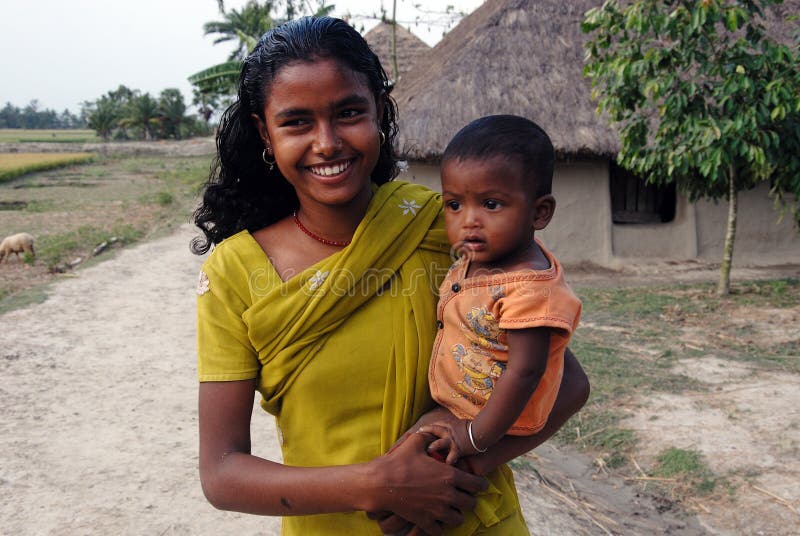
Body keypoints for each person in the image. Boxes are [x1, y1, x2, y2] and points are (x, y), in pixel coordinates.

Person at [192, 16, 589, 536]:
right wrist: (378, 485)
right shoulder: (234, 273)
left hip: (471, 519)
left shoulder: (444, 229)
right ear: (265, 132)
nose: (328, 142)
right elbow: (222, 474)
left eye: (349, 112)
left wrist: (464, 463)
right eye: (297, 123)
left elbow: (568, 382)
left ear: (380, 109)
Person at [418, 116, 582, 471]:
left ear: (540, 212)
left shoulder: (529, 288)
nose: (468, 221)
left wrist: (474, 438)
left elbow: (526, 371)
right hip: (459, 405)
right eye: (454, 205)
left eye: (491, 205)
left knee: (414, 482)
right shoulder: (481, 257)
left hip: (483, 420)